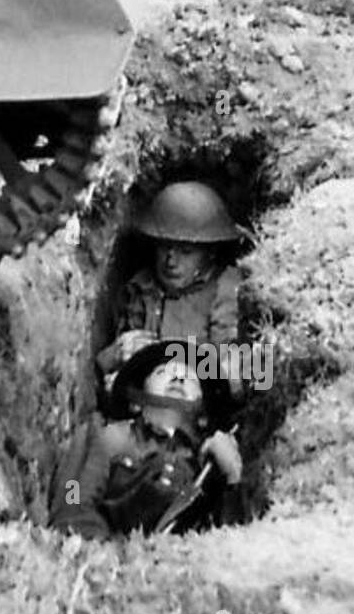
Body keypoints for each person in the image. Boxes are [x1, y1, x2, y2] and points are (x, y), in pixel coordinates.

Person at [48, 343, 244, 539]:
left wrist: (231, 478)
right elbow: (71, 500)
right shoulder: (108, 437)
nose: (178, 377)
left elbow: (230, 541)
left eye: (191, 378)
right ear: (136, 402)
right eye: (162, 372)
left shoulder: (208, 462)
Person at [96, 180, 244, 384]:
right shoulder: (141, 289)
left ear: (210, 253)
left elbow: (236, 378)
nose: (171, 261)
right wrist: (112, 358)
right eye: (164, 247)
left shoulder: (227, 288)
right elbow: (113, 371)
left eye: (186, 252)